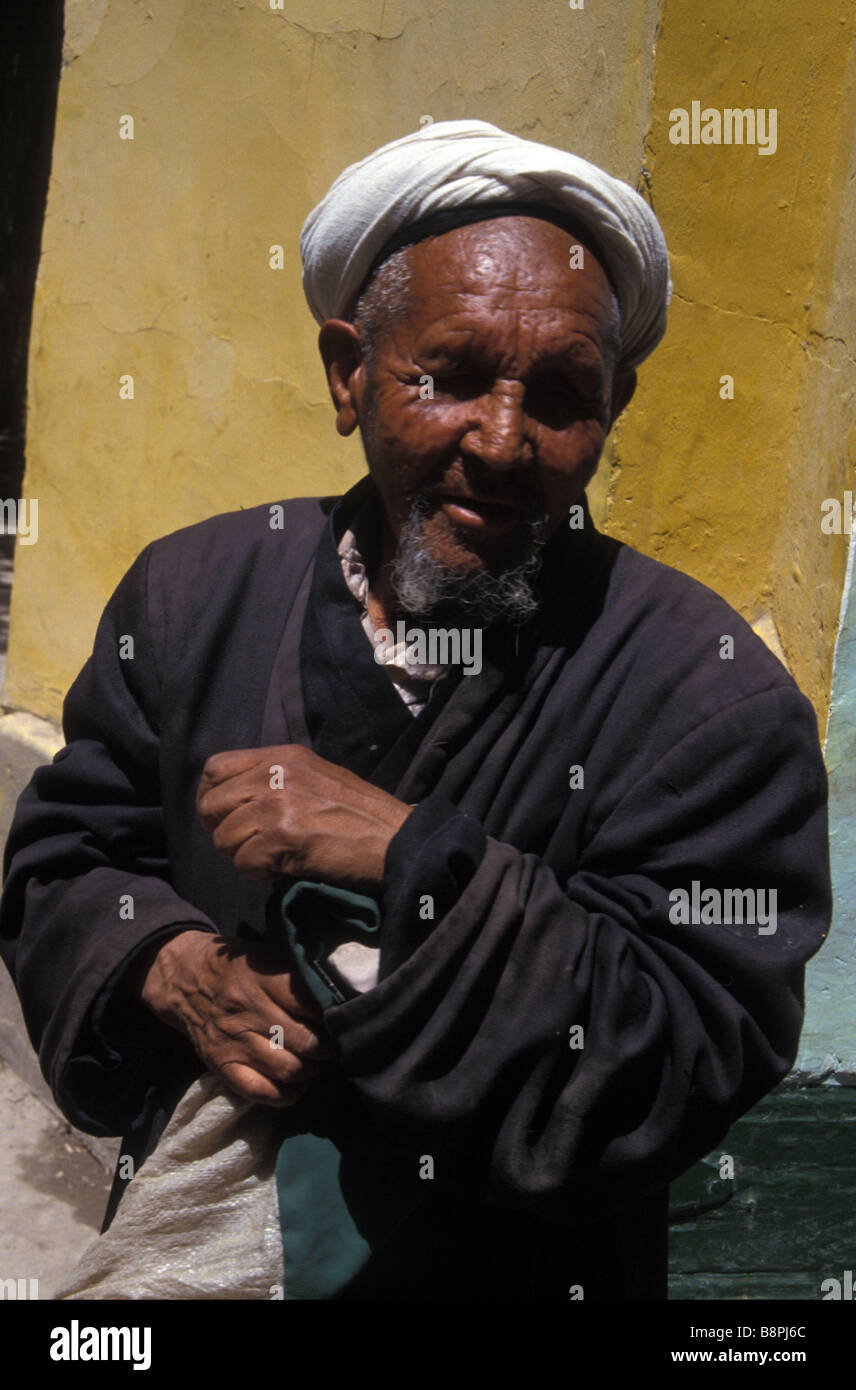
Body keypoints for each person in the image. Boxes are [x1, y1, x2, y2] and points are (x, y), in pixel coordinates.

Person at [0, 120, 830, 1300]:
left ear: (616, 406)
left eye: (561, 396)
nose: (502, 441)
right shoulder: (193, 596)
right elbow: (69, 855)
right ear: (348, 371)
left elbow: (691, 1046)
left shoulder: (704, 690)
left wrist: (415, 859)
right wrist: (172, 965)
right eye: (447, 377)